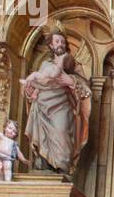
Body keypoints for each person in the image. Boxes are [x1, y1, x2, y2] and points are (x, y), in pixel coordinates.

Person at [20, 31, 91, 173]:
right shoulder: (45, 63)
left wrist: (71, 81)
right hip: (42, 105)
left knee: (62, 131)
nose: (60, 44)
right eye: (57, 41)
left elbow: (86, 90)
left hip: (61, 106)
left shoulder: (71, 64)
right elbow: (39, 82)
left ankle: (62, 167)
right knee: (42, 136)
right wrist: (29, 91)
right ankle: (45, 164)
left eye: (63, 42)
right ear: (51, 45)